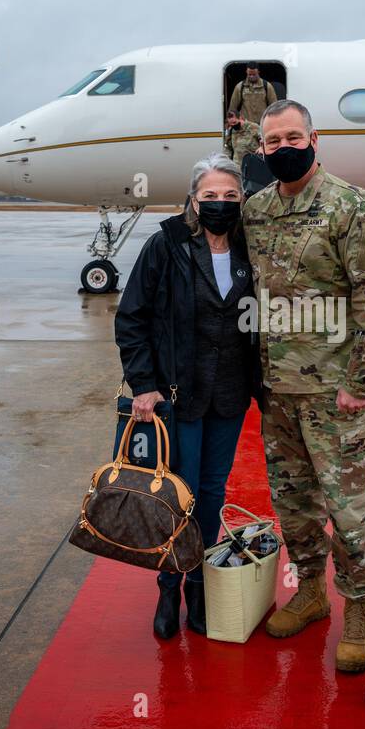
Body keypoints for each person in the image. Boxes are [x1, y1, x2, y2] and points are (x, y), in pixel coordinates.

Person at [242, 99, 365, 673]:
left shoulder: (349, 206)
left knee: (348, 508)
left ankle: (358, 608)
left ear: (314, 139)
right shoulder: (256, 210)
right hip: (279, 390)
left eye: (292, 136)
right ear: (260, 150)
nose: (283, 147)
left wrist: (362, 382)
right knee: (293, 502)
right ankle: (310, 592)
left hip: (339, 394)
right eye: (272, 141)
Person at [115, 152, 261, 640]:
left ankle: (199, 585)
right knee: (180, 492)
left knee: (214, 493)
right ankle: (168, 585)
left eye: (230, 196)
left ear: (242, 201)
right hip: (179, 395)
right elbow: (131, 317)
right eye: (210, 196)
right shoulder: (166, 246)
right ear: (193, 201)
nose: (220, 204)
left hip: (230, 395)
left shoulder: (250, 248)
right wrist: (143, 384)